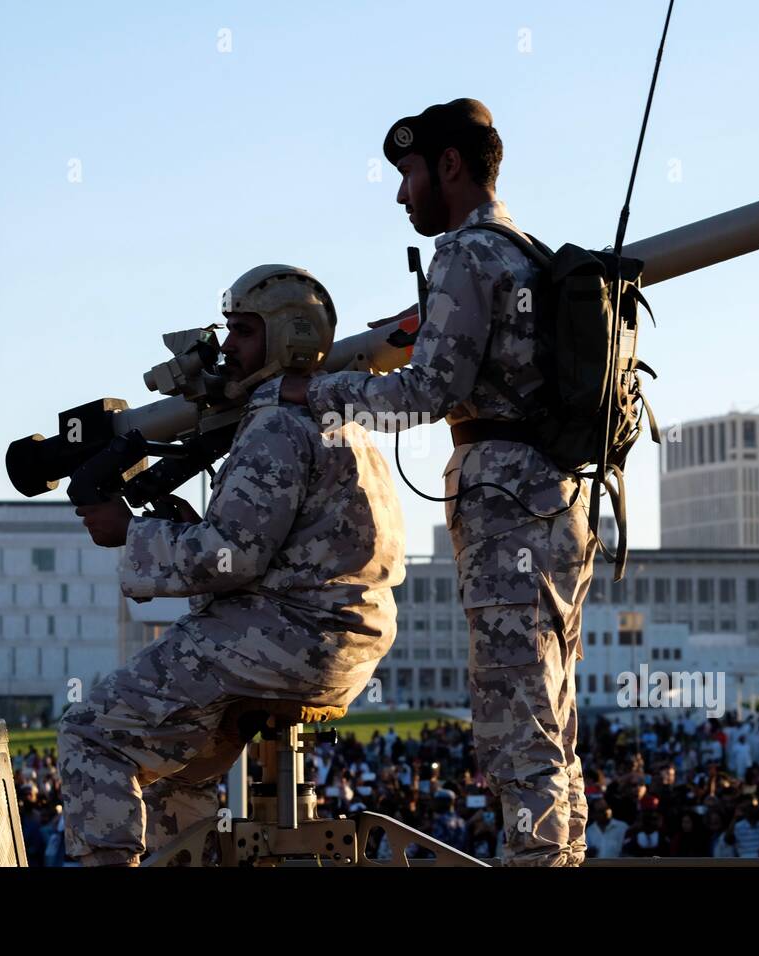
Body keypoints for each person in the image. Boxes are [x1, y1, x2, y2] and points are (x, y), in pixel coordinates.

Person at [279, 97, 593, 868]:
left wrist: (310, 395)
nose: (400, 194)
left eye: (408, 172)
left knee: (515, 715)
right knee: (549, 715)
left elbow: (426, 392)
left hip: (507, 502)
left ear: (449, 165)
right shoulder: (525, 250)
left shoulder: (467, 254)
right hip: (559, 500)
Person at [61, 265, 405, 866]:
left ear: (289, 338)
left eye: (243, 332)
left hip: (287, 635)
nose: (227, 348)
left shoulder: (275, 423)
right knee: (177, 773)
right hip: (341, 641)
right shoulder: (342, 421)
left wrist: (131, 533)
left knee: (91, 732)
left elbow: (232, 555)